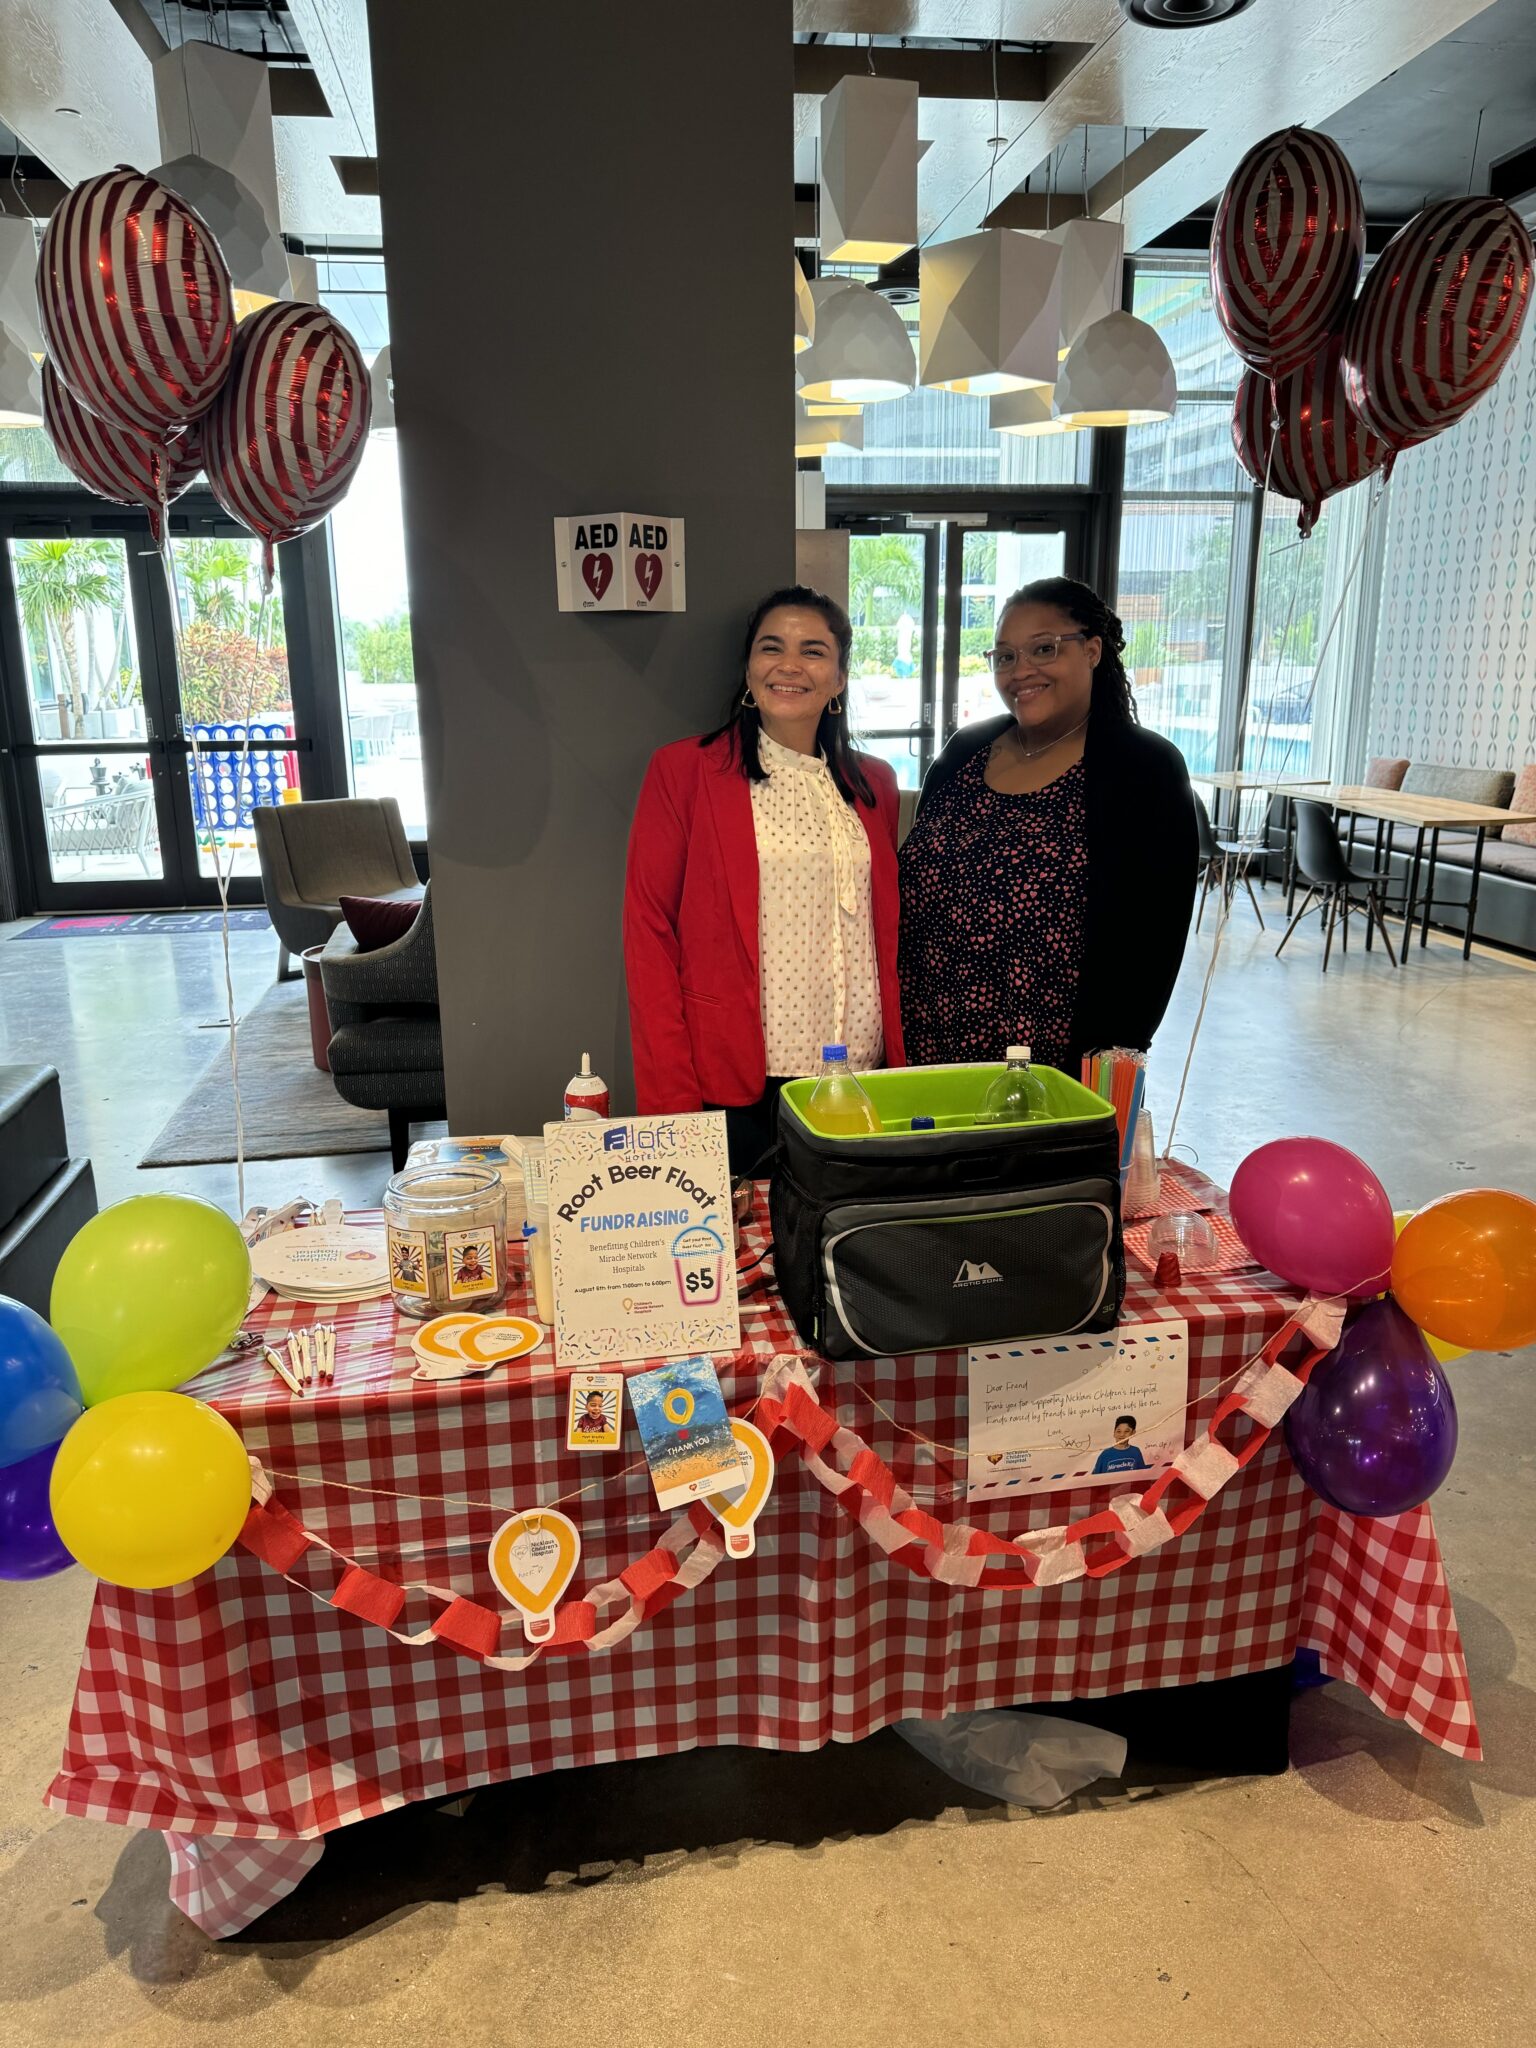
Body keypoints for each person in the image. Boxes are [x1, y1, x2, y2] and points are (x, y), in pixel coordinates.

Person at [625, 585, 905, 1174]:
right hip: (737, 1082)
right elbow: (647, 935)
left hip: (858, 1076)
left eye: (814, 651)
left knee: (844, 1251)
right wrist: (672, 1106)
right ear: (749, 669)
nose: (790, 665)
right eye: (771, 647)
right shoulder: (685, 772)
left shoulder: (873, 783)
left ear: (839, 678)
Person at [899, 577, 1197, 1074]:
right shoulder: (964, 753)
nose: (1021, 672)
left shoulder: (1144, 769)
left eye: (1044, 648)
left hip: (1054, 1068)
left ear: (1093, 650)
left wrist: (1109, 1066)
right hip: (930, 1043)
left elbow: (1156, 944)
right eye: (1005, 657)